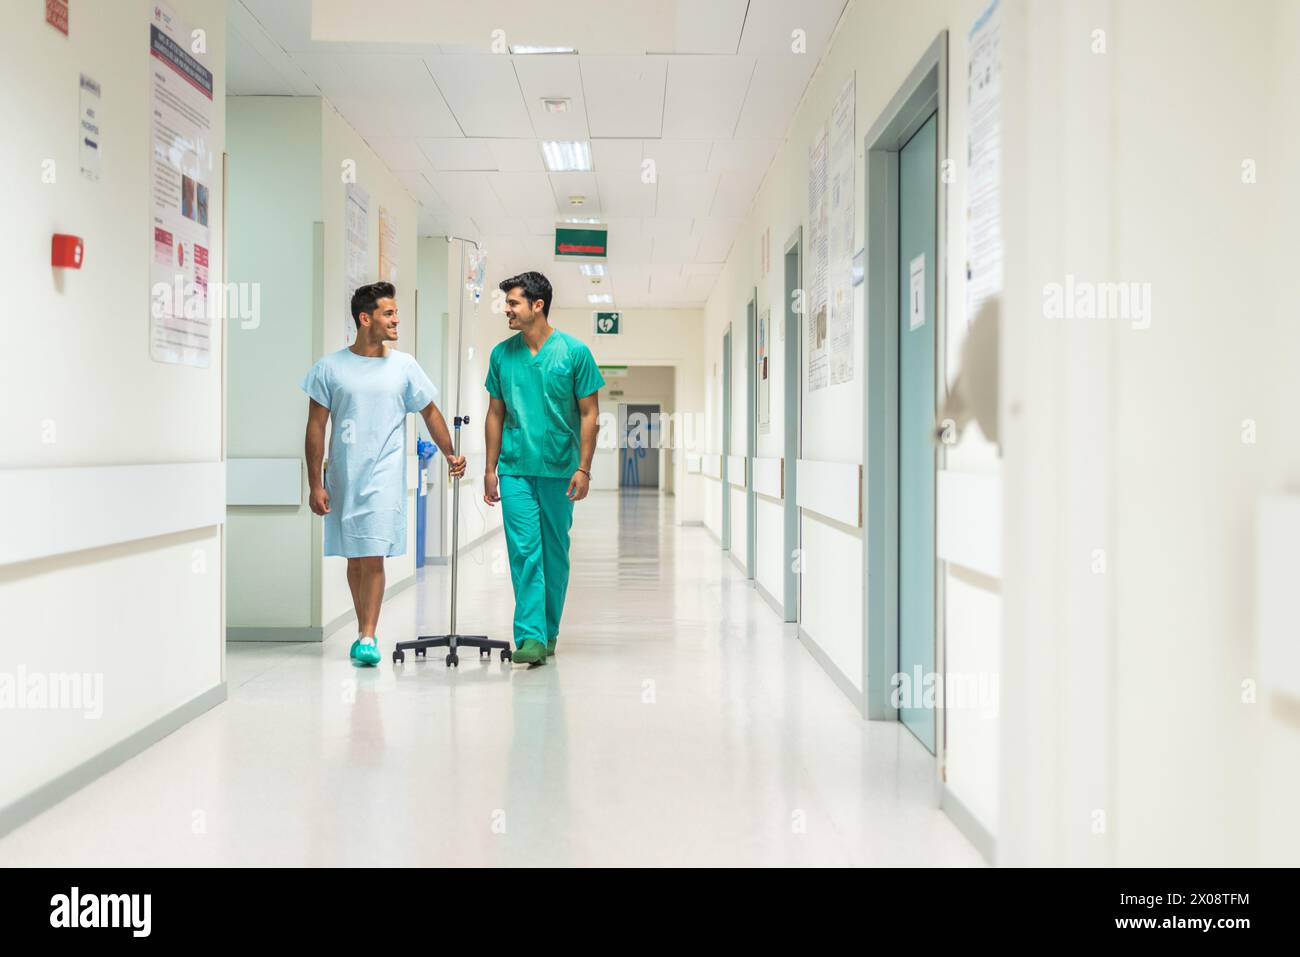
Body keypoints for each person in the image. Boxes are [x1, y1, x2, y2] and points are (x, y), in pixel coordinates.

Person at [302, 281, 466, 666]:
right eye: (388, 314)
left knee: (373, 556)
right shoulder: (330, 368)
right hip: (344, 477)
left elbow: (431, 412)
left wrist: (449, 453)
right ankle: (364, 629)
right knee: (355, 559)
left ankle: (368, 635)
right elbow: (315, 429)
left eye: (396, 313)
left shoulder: (404, 366)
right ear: (365, 318)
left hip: (385, 476)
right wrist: (315, 484)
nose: (396, 320)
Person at [483, 271, 604, 665]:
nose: (508, 310)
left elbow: (590, 413)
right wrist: (489, 467)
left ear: (538, 305)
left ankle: (550, 631)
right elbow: (495, 413)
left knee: (555, 552)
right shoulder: (502, 355)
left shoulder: (573, 353)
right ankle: (531, 636)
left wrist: (584, 468)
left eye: (514, 302)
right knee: (524, 551)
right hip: (515, 468)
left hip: (559, 468)